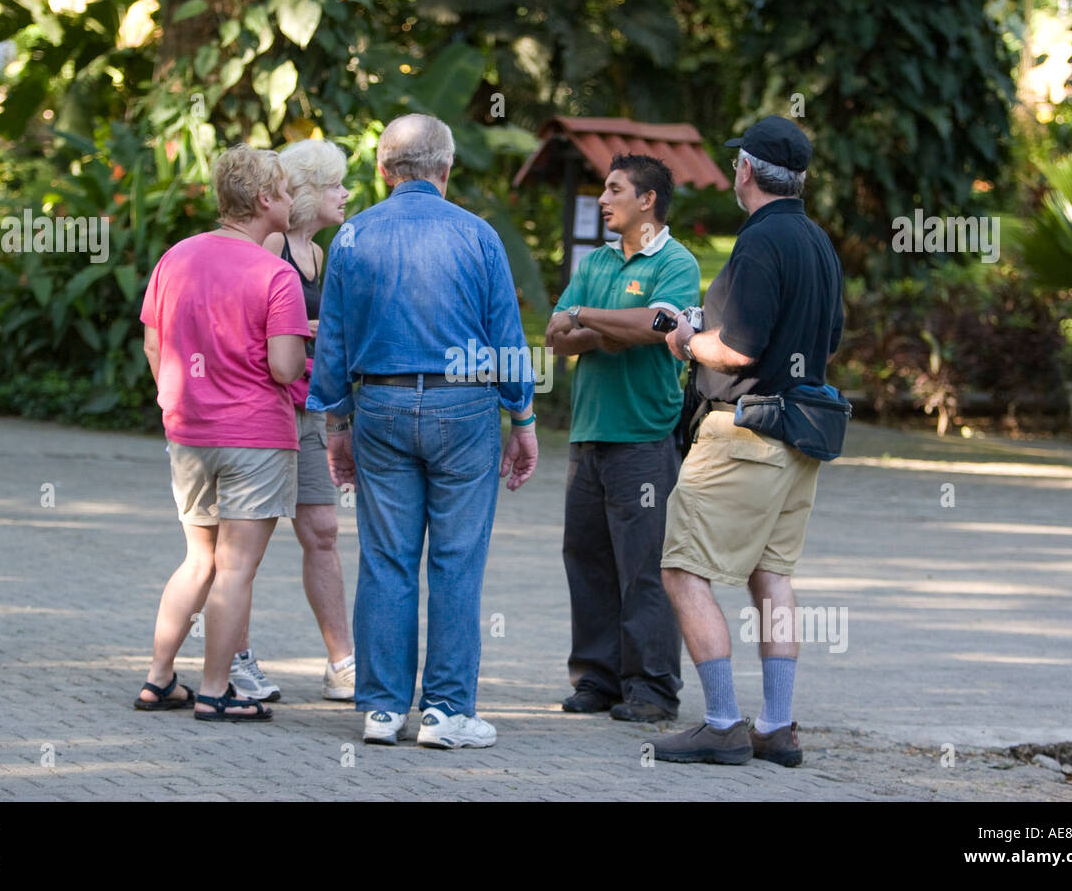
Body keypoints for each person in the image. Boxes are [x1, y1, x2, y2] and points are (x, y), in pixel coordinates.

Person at [307, 113, 539, 749]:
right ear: (446, 169)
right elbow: (505, 338)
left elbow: (332, 342)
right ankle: (446, 713)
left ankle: (381, 709)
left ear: (383, 169)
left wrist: (335, 426)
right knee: (457, 561)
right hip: (465, 410)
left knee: (386, 558)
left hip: (376, 406)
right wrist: (522, 419)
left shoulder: (353, 237)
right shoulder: (480, 236)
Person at [644, 116, 844, 765]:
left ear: (747, 171)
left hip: (744, 434)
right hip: (799, 437)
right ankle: (777, 724)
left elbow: (734, 350)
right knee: (771, 574)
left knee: (681, 569)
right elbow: (823, 337)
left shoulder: (760, 243)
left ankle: (725, 722)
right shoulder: (816, 243)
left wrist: (683, 338)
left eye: (737, 164)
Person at [133, 144, 310, 722]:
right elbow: (285, 368)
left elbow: (155, 344)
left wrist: (176, 402)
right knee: (235, 569)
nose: (290, 202)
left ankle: (159, 680)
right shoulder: (275, 273)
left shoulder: (175, 258)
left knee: (197, 560)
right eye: (285, 192)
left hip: (189, 432)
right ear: (265, 201)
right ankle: (215, 691)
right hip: (256, 435)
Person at [544, 154, 700, 723]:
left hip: (644, 437)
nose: (604, 199)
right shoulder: (598, 260)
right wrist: (613, 331)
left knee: (646, 566)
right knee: (585, 559)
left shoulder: (677, 262)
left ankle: (652, 689)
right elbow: (556, 336)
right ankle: (596, 680)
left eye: (614, 190)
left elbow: (656, 328)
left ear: (647, 200)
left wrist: (592, 320)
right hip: (588, 435)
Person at [227, 139, 357, 704]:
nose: (345, 194)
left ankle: (342, 663)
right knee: (243, 543)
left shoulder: (319, 254)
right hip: (263, 409)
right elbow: (260, 321)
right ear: (303, 192)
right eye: (334, 185)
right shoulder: (272, 243)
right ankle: (235, 657)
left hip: (308, 410)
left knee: (323, 532)